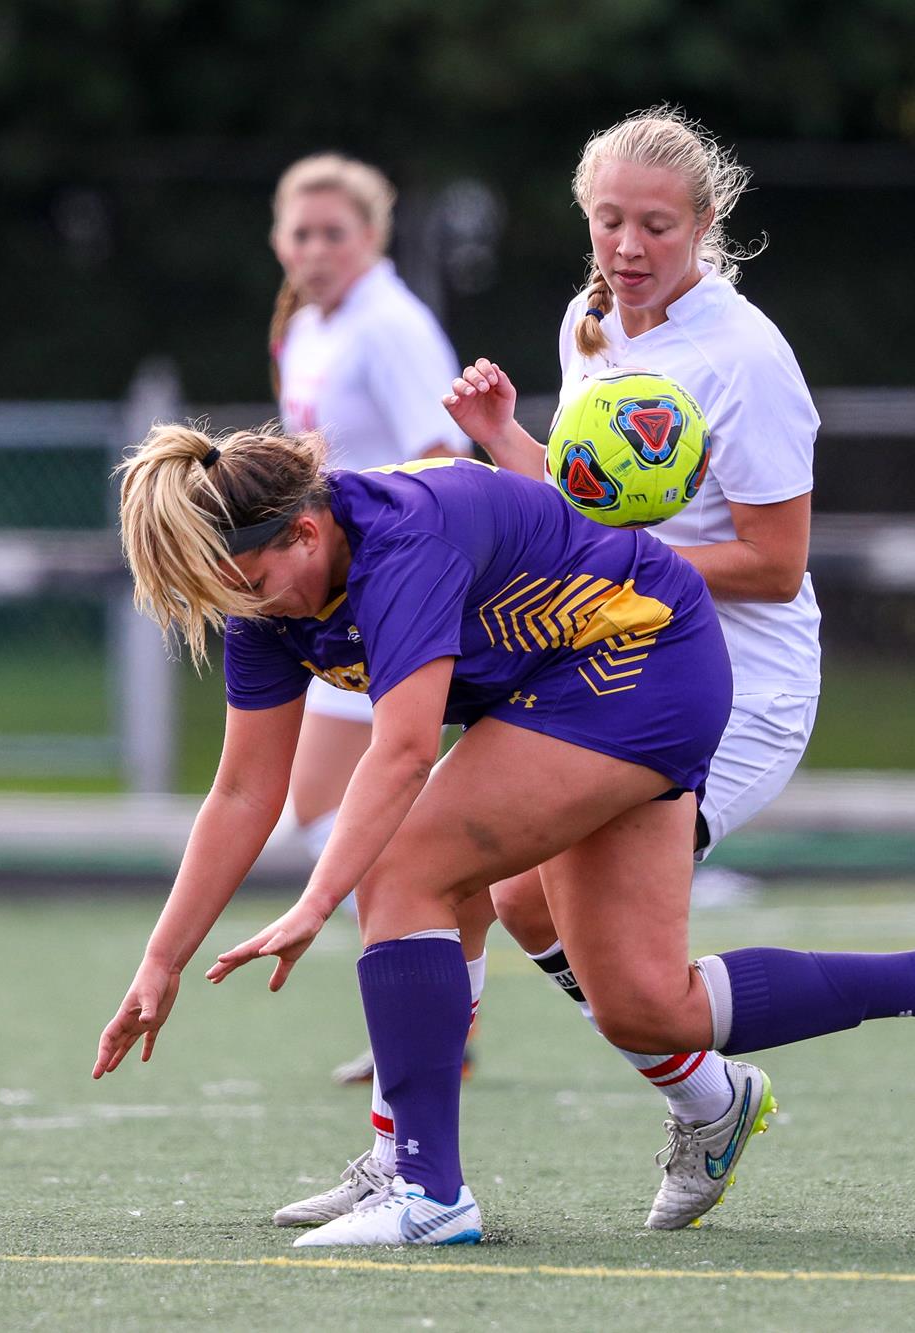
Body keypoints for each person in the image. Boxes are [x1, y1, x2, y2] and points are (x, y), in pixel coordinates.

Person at [93, 426, 915, 1249]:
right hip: (572, 683)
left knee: (406, 869)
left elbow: (406, 749)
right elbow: (243, 790)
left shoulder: (399, 539)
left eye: (252, 585)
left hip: (647, 658)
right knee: (646, 1005)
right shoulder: (270, 590)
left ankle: (423, 1185)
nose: (247, 611)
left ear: (305, 530)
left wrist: (314, 902)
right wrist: (161, 959)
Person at [285, 106, 830, 1233]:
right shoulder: (590, 324)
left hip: (733, 683)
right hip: (607, 655)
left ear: (706, 224)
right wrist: (505, 440)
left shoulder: (745, 359)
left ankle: (907, 993)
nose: (627, 249)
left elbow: (774, 568)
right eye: (607, 221)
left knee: (594, 958)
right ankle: (424, 1152)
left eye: (656, 227)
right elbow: (588, 511)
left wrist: (626, 565)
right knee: (479, 888)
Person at [263, 153, 490, 1097]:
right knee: (331, 812)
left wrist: (404, 574)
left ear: (373, 237)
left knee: (368, 818)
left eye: (334, 233)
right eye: (299, 233)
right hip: (338, 594)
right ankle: (434, 998)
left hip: (393, 592)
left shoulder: (391, 324)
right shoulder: (308, 323)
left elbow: (447, 452)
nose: (314, 250)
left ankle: (435, 999)